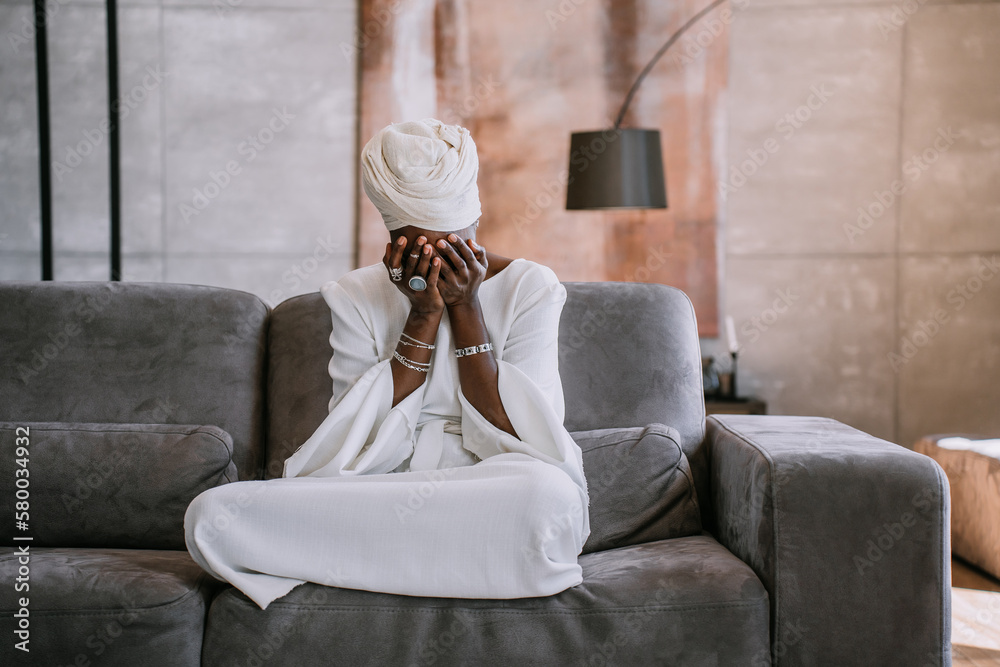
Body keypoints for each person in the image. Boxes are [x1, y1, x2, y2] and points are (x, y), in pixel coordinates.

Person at [184, 118, 590, 611]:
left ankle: (367, 559)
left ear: (475, 226)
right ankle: (459, 560)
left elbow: (528, 435)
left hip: (496, 485)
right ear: (394, 240)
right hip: (387, 484)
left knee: (546, 501)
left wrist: (466, 309)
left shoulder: (532, 288)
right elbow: (357, 440)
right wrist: (421, 316)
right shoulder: (356, 295)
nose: (438, 266)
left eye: (453, 246)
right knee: (212, 517)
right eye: (420, 249)